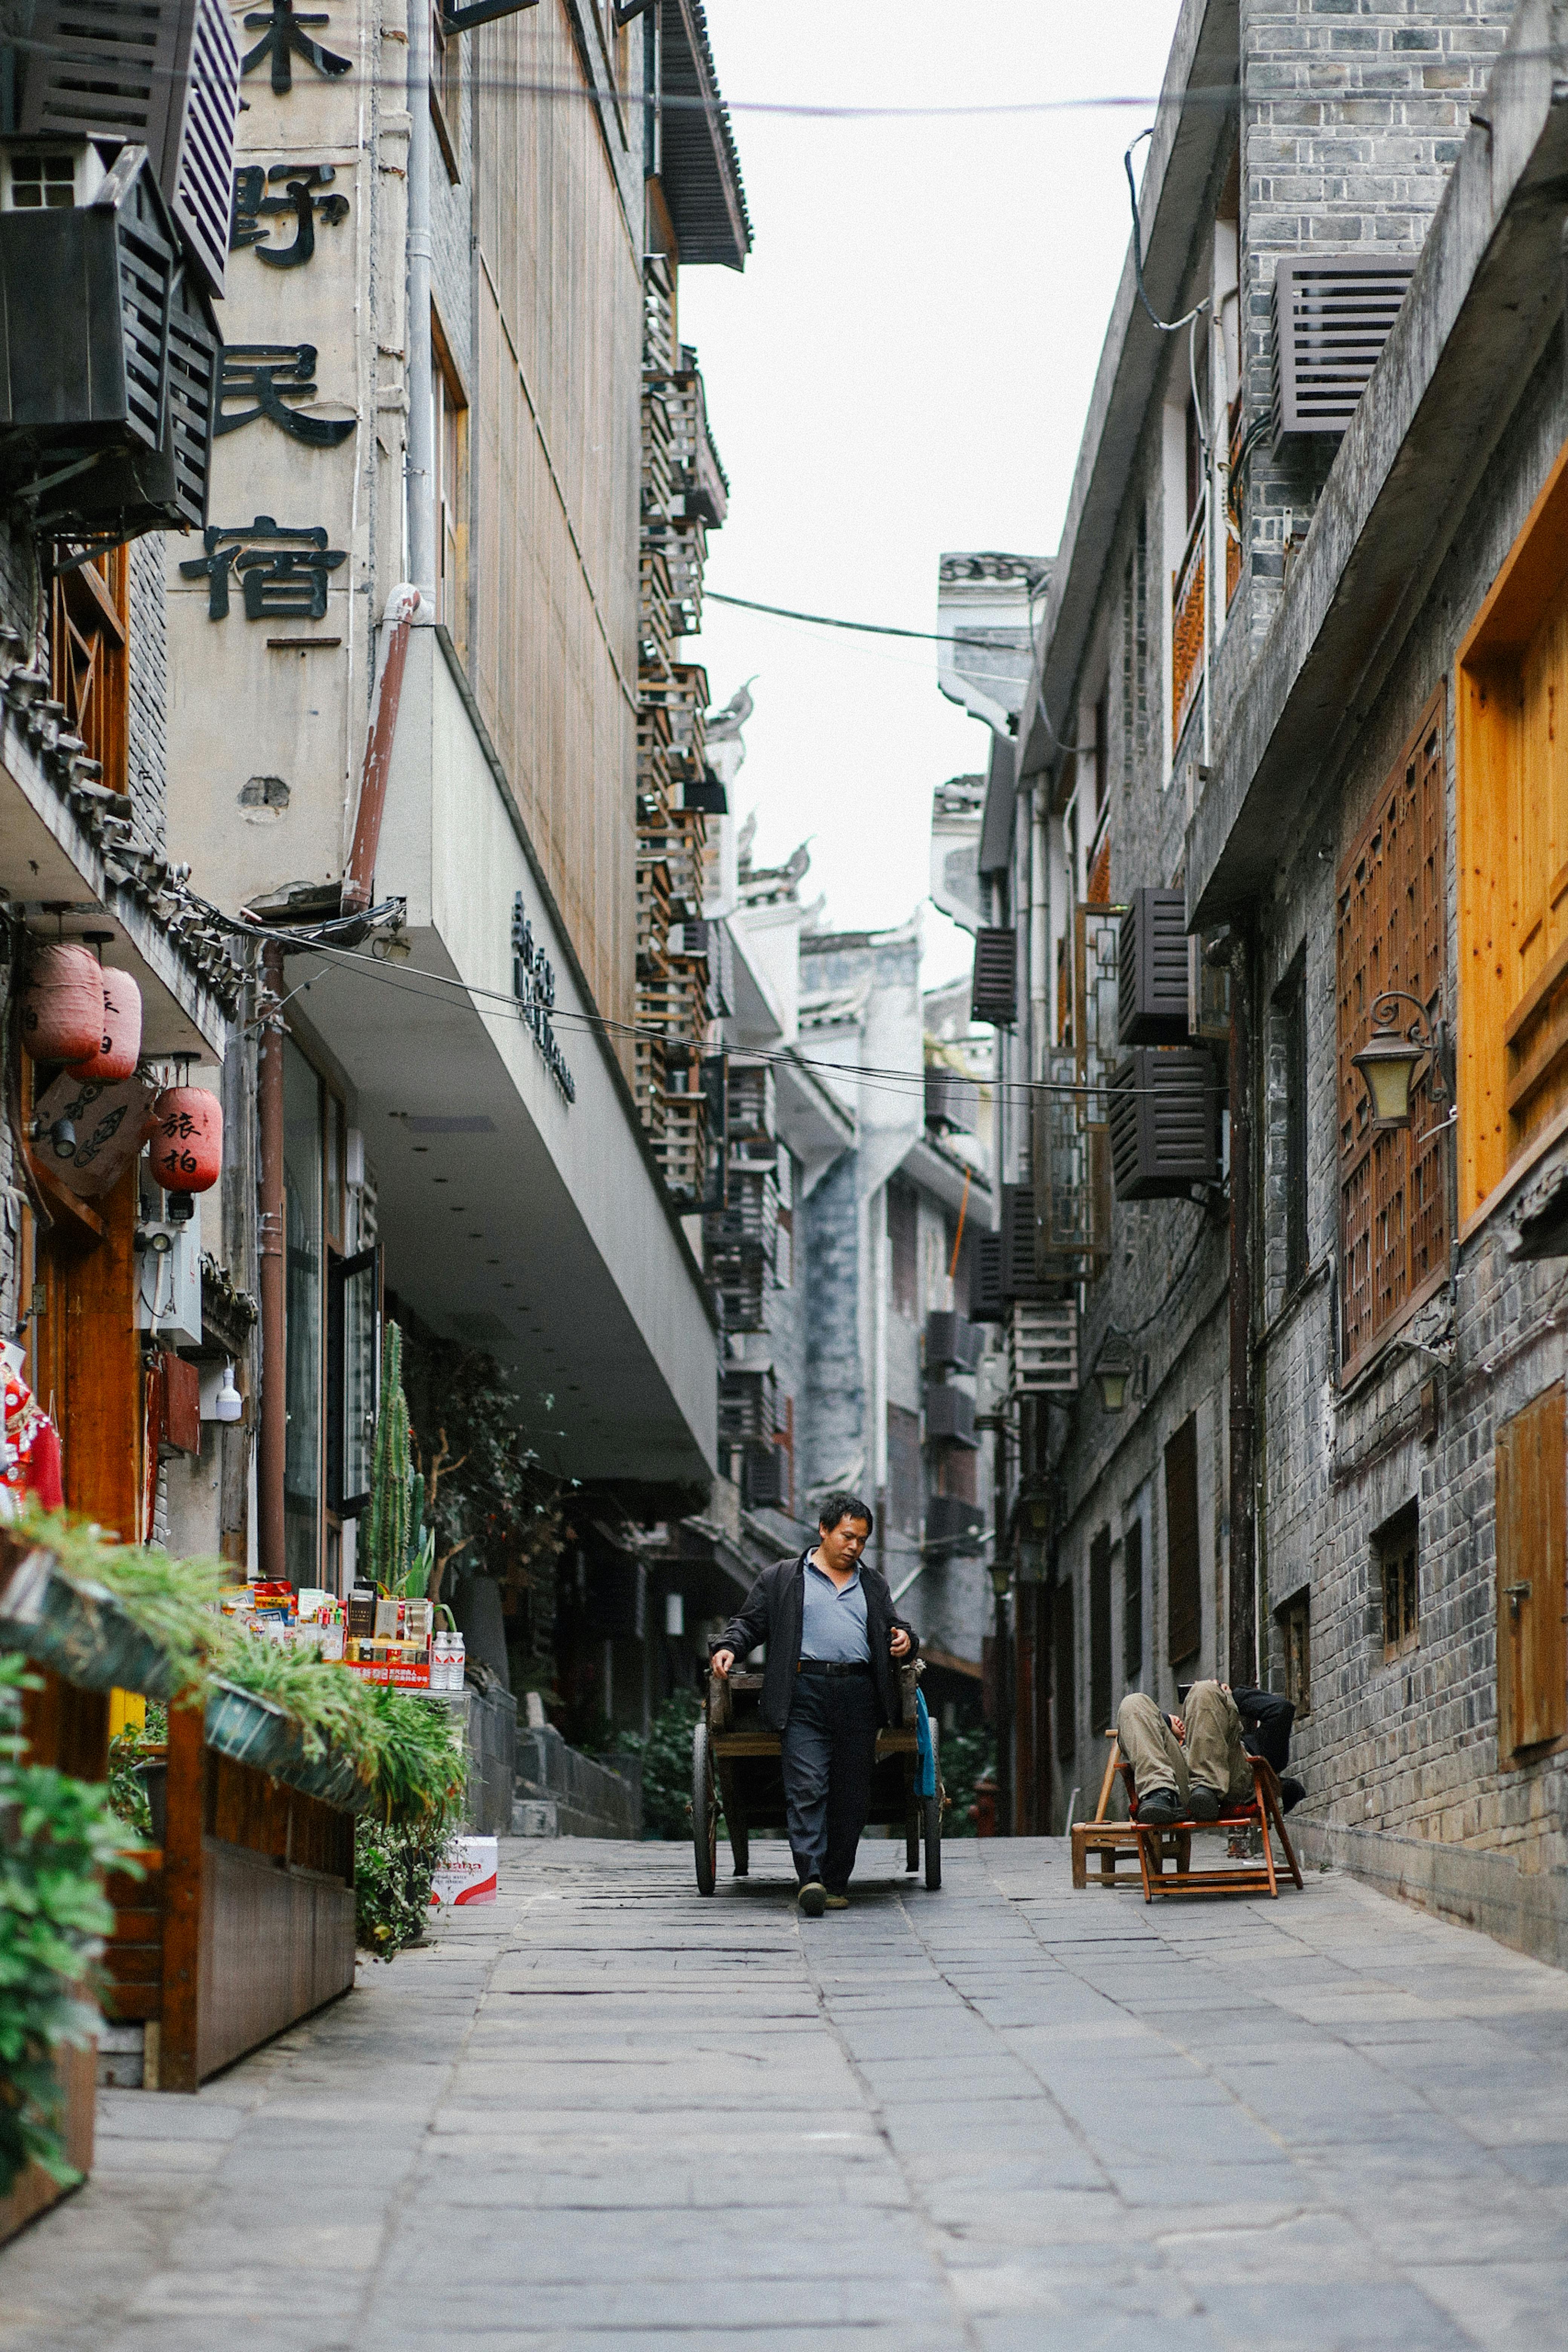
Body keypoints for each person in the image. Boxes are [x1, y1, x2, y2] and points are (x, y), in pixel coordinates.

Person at [709, 1492, 918, 1916]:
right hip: (802, 1691)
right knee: (806, 1786)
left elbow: (896, 1626)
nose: (853, 1547)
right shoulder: (781, 1578)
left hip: (859, 1695)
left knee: (851, 1793)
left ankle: (836, 1881)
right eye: (846, 1536)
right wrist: (729, 1647)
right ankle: (811, 1879)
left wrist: (904, 1639)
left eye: (861, 1540)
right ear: (823, 1530)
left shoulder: (873, 1584)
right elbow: (749, 1623)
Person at [1115, 1679, 1303, 1825]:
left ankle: (1208, 1789)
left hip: (1232, 1781)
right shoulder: (1188, 1736)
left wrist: (1227, 1695)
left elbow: (1281, 1710)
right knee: (1133, 1703)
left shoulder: (1258, 1747)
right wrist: (1167, 1721)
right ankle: (1159, 1793)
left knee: (1204, 1690)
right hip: (1181, 1784)